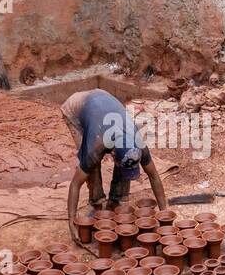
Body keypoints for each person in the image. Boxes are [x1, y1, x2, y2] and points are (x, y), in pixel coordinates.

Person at [62, 89, 167, 241]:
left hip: (103, 101)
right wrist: (71, 221)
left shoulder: (138, 144)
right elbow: (75, 184)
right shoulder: (96, 145)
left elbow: (154, 176)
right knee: (91, 165)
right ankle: (96, 203)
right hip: (76, 108)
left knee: (125, 163)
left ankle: (115, 200)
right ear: (112, 156)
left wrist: (164, 213)